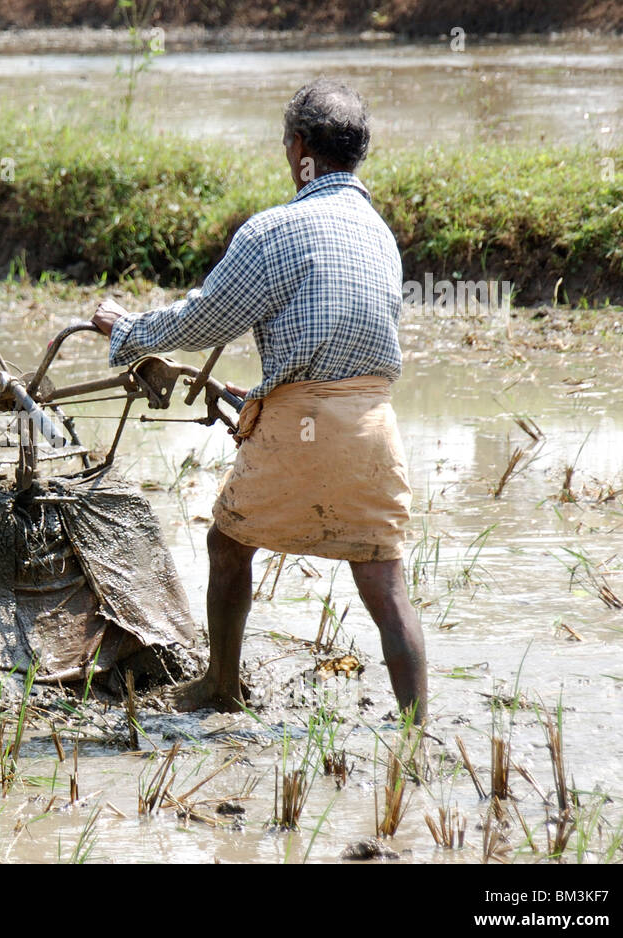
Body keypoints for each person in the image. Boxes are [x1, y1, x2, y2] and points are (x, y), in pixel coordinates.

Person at [90, 79, 428, 723]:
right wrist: (272, 393)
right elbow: (346, 338)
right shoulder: (380, 236)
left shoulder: (276, 229)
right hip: (374, 425)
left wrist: (128, 331)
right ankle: (418, 730)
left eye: (286, 140)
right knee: (385, 585)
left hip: (306, 422)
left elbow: (206, 319)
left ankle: (220, 686)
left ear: (299, 147)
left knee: (227, 543)